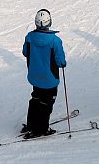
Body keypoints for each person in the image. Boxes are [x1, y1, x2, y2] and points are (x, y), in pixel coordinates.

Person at [22, 9, 66, 138]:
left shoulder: (29, 37)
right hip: (49, 79)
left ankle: (31, 124)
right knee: (46, 102)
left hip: (35, 77)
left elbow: (26, 52)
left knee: (36, 98)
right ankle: (41, 128)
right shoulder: (55, 41)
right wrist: (62, 63)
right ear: (50, 22)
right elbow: (60, 61)